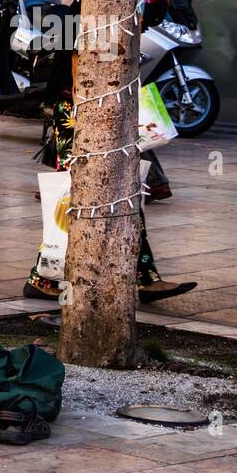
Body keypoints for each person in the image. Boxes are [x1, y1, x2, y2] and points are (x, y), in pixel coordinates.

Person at [24, 56, 195, 304]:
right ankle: (43, 280)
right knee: (73, 196)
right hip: (81, 104)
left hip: (99, 102)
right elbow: (75, 53)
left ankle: (144, 278)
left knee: (123, 194)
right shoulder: (80, 24)